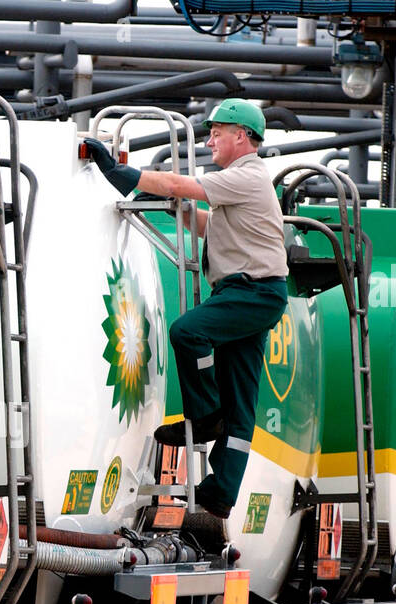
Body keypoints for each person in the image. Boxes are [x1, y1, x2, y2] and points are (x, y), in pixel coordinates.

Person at [82, 98, 289, 522]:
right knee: (242, 406)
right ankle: (220, 493)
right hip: (253, 292)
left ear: (242, 137)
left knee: (187, 332)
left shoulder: (245, 175)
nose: (210, 139)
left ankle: (204, 414)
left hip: (250, 291)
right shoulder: (241, 184)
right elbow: (206, 223)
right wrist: (154, 195)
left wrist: (123, 174)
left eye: (218, 131)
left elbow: (181, 187)